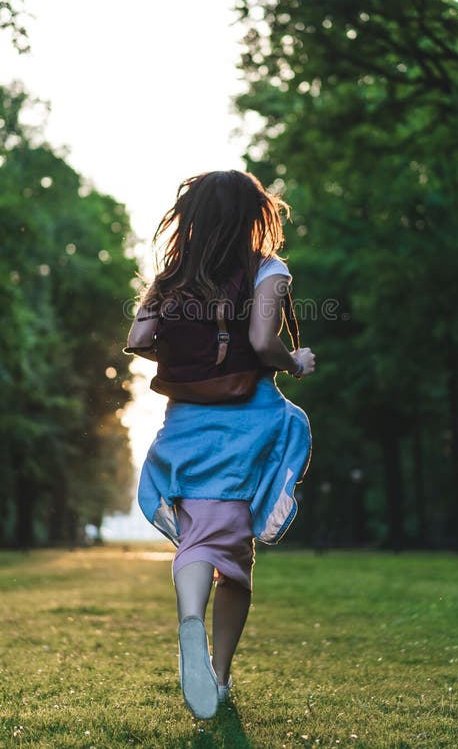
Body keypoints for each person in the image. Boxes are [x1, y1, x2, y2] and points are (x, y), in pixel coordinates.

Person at [125, 169, 315, 720]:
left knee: (196, 534)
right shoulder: (267, 269)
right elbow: (262, 340)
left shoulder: (172, 277)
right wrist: (295, 362)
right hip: (245, 424)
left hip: (186, 426)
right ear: (255, 216)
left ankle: (192, 622)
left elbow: (137, 340)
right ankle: (220, 674)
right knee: (233, 555)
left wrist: (195, 359)